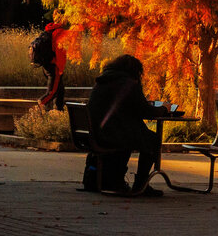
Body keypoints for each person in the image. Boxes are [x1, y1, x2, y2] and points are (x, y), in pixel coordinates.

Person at [86, 53, 164, 197]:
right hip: (114, 135)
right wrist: (162, 110)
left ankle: (122, 181)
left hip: (97, 134)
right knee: (153, 140)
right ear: (136, 71)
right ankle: (141, 184)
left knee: (141, 135)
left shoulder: (102, 81)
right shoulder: (128, 84)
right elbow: (144, 110)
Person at [33, 20, 68, 111]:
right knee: (52, 92)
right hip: (54, 66)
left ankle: (58, 112)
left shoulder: (50, 30)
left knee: (60, 91)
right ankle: (34, 109)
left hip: (46, 65)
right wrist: (60, 69)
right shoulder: (60, 33)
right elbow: (60, 52)